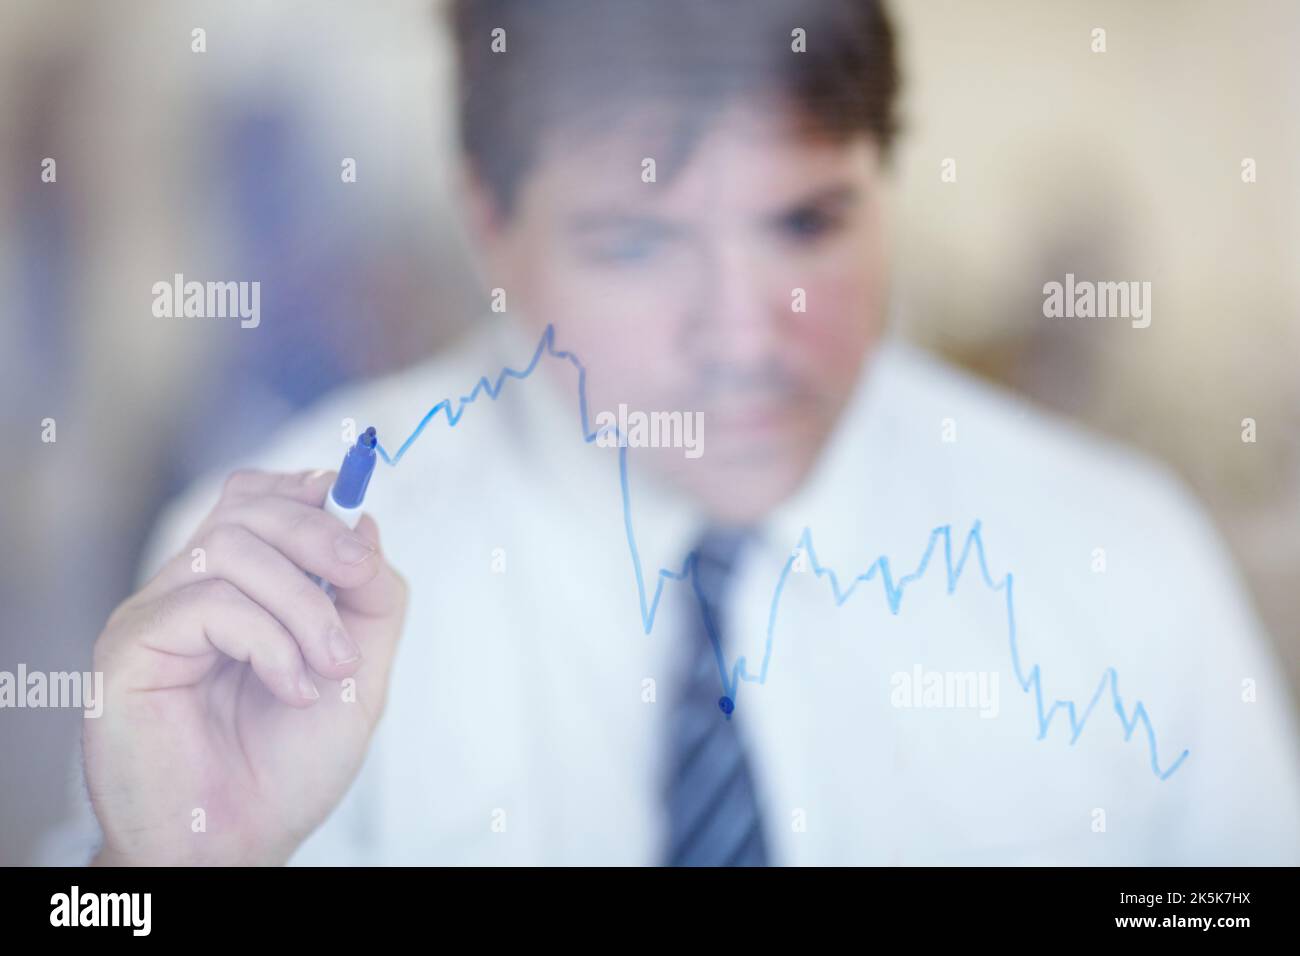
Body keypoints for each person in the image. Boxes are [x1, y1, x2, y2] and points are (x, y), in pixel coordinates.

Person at [60, 0, 1299, 866]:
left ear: (885, 178)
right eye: (641, 243)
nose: (744, 331)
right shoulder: (266, 587)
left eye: (808, 226)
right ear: (487, 221)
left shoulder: (1126, 562)